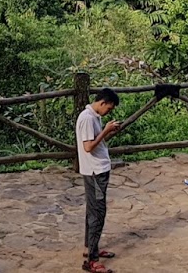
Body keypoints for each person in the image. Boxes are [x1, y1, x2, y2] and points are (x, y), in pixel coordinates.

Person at [77, 89, 124, 273]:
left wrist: (106, 130)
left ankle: (90, 248)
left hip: (97, 169)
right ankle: (91, 261)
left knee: (93, 211)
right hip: (95, 172)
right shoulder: (88, 118)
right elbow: (88, 146)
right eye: (109, 108)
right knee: (98, 214)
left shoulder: (93, 115)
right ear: (103, 102)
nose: (109, 112)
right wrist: (106, 131)